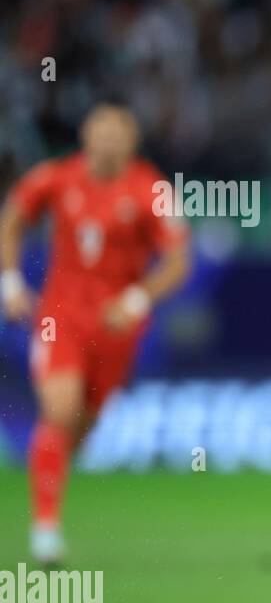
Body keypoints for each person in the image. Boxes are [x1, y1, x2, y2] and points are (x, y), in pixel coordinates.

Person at [0, 103, 190, 564]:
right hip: (60, 318)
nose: (107, 141)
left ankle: (51, 473)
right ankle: (46, 528)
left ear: (131, 140)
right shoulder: (56, 177)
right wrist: (10, 282)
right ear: (85, 135)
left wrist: (137, 299)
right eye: (100, 131)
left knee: (78, 432)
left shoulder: (152, 189)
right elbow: (13, 218)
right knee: (59, 410)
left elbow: (179, 260)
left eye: (117, 133)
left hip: (116, 327)